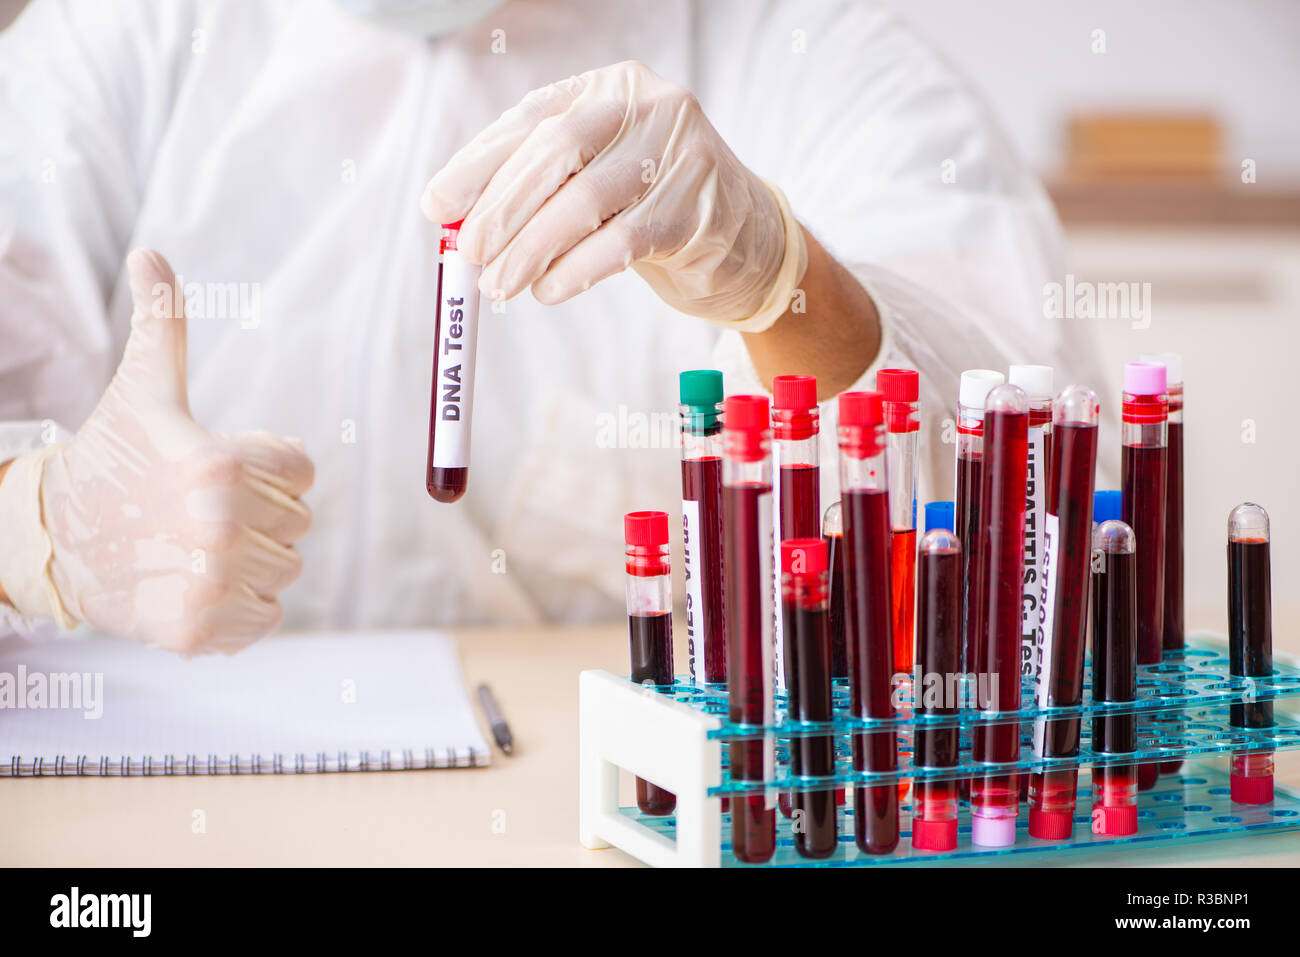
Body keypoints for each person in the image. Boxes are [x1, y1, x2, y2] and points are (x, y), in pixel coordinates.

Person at [0, 0, 1105, 653]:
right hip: (158, 802)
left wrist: (786, 282)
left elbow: (1019, 495)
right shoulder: (117, 40)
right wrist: (34, 527)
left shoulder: (807, 52)